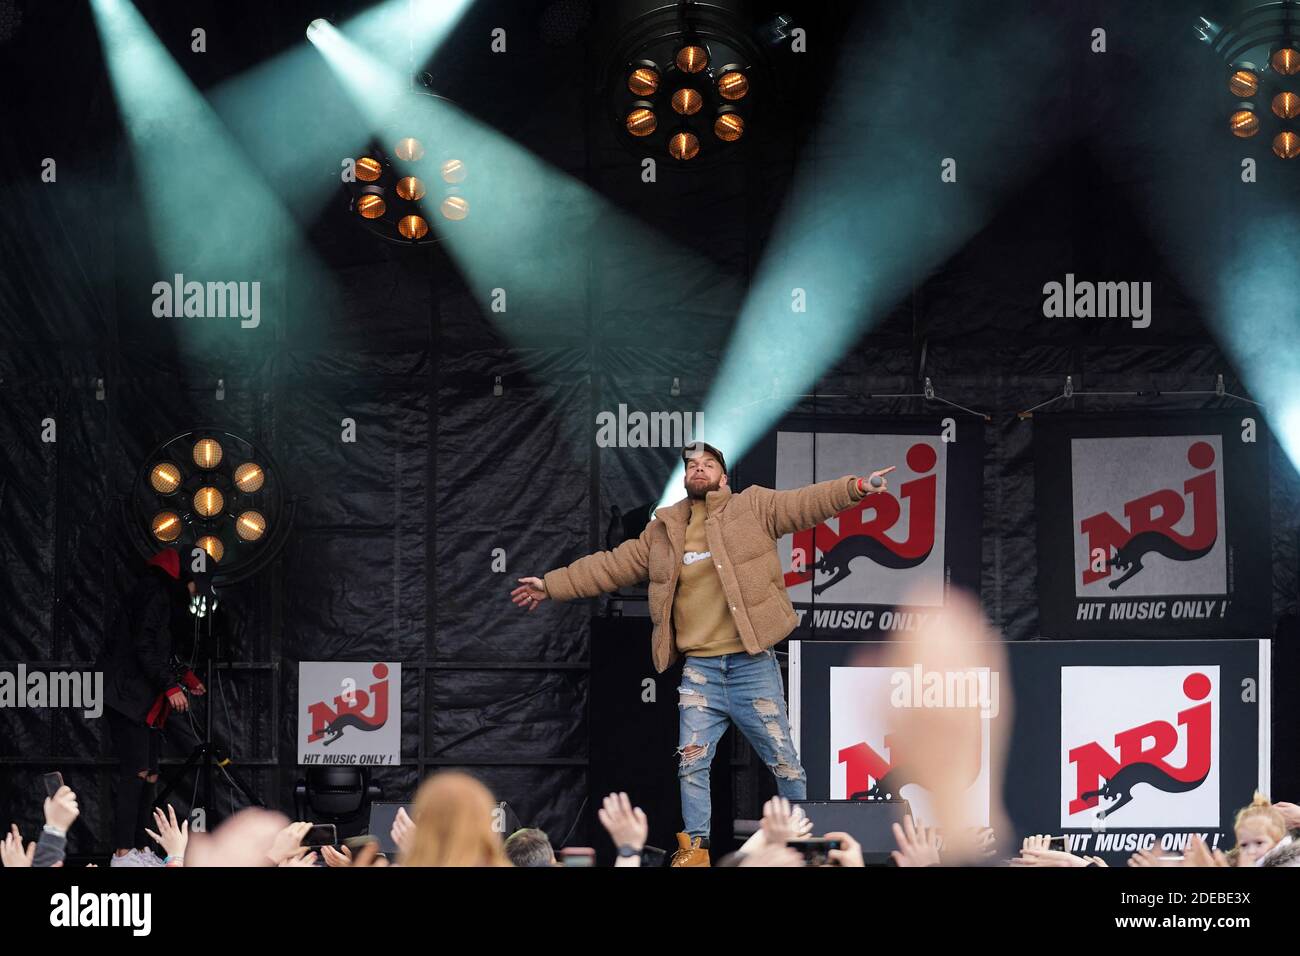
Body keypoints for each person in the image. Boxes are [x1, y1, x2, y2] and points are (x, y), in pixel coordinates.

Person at [512, 440, 892, 865]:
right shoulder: (663, 533)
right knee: (691, 767)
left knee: (785, 763)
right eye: (692, 464)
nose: (699, 469)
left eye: (708, 464)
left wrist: (856, 487)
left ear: (724, 476)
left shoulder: (754, 508)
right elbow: (610, 565)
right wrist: (552, 584)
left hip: (752, 666)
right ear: (684, 477)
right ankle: (696, 853)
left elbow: (805, 503)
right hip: (701, 673)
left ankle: (808, 848)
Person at [98, 548, 207, 866]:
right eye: (193, 586)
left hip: (143, 702)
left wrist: (184, 675)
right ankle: (122, 853)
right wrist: (171, 685)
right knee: (136, 772)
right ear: (183, 577)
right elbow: (143, 645)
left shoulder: (164, 599)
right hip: (127, 697)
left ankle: (141, 849)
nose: (194, 595)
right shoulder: (153, 593)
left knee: (149, 775)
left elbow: (162, 648)